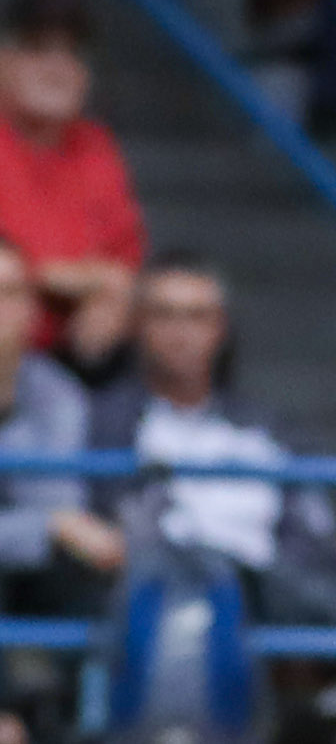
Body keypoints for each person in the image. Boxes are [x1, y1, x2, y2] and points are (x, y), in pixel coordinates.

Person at [89, 255, 336, 739]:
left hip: (266, 587)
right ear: (138, 326)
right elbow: (108, 515)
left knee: (314, 583)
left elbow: (310, 529)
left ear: (221, 329)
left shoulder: (267, 429)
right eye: (164, 315)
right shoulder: (107, 423)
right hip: (164, 587)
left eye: (196, 317)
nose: (180, 333)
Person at [0, 238, 124, 744]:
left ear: (31, 310)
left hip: (29, 576)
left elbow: (58, 507)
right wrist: (47, 526)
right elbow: (53, 521)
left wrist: (49, 526)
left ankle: (79, 725)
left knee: (96, 572)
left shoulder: (56, 393)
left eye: (9, 293)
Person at [0, 0, 144, 382]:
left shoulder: (95, 145)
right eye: (39, 49)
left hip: (74, 364)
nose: (57, 66)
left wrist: (112, 294)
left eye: (73, 53)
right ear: (3, 60)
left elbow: (124, 264)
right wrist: (64, 277)